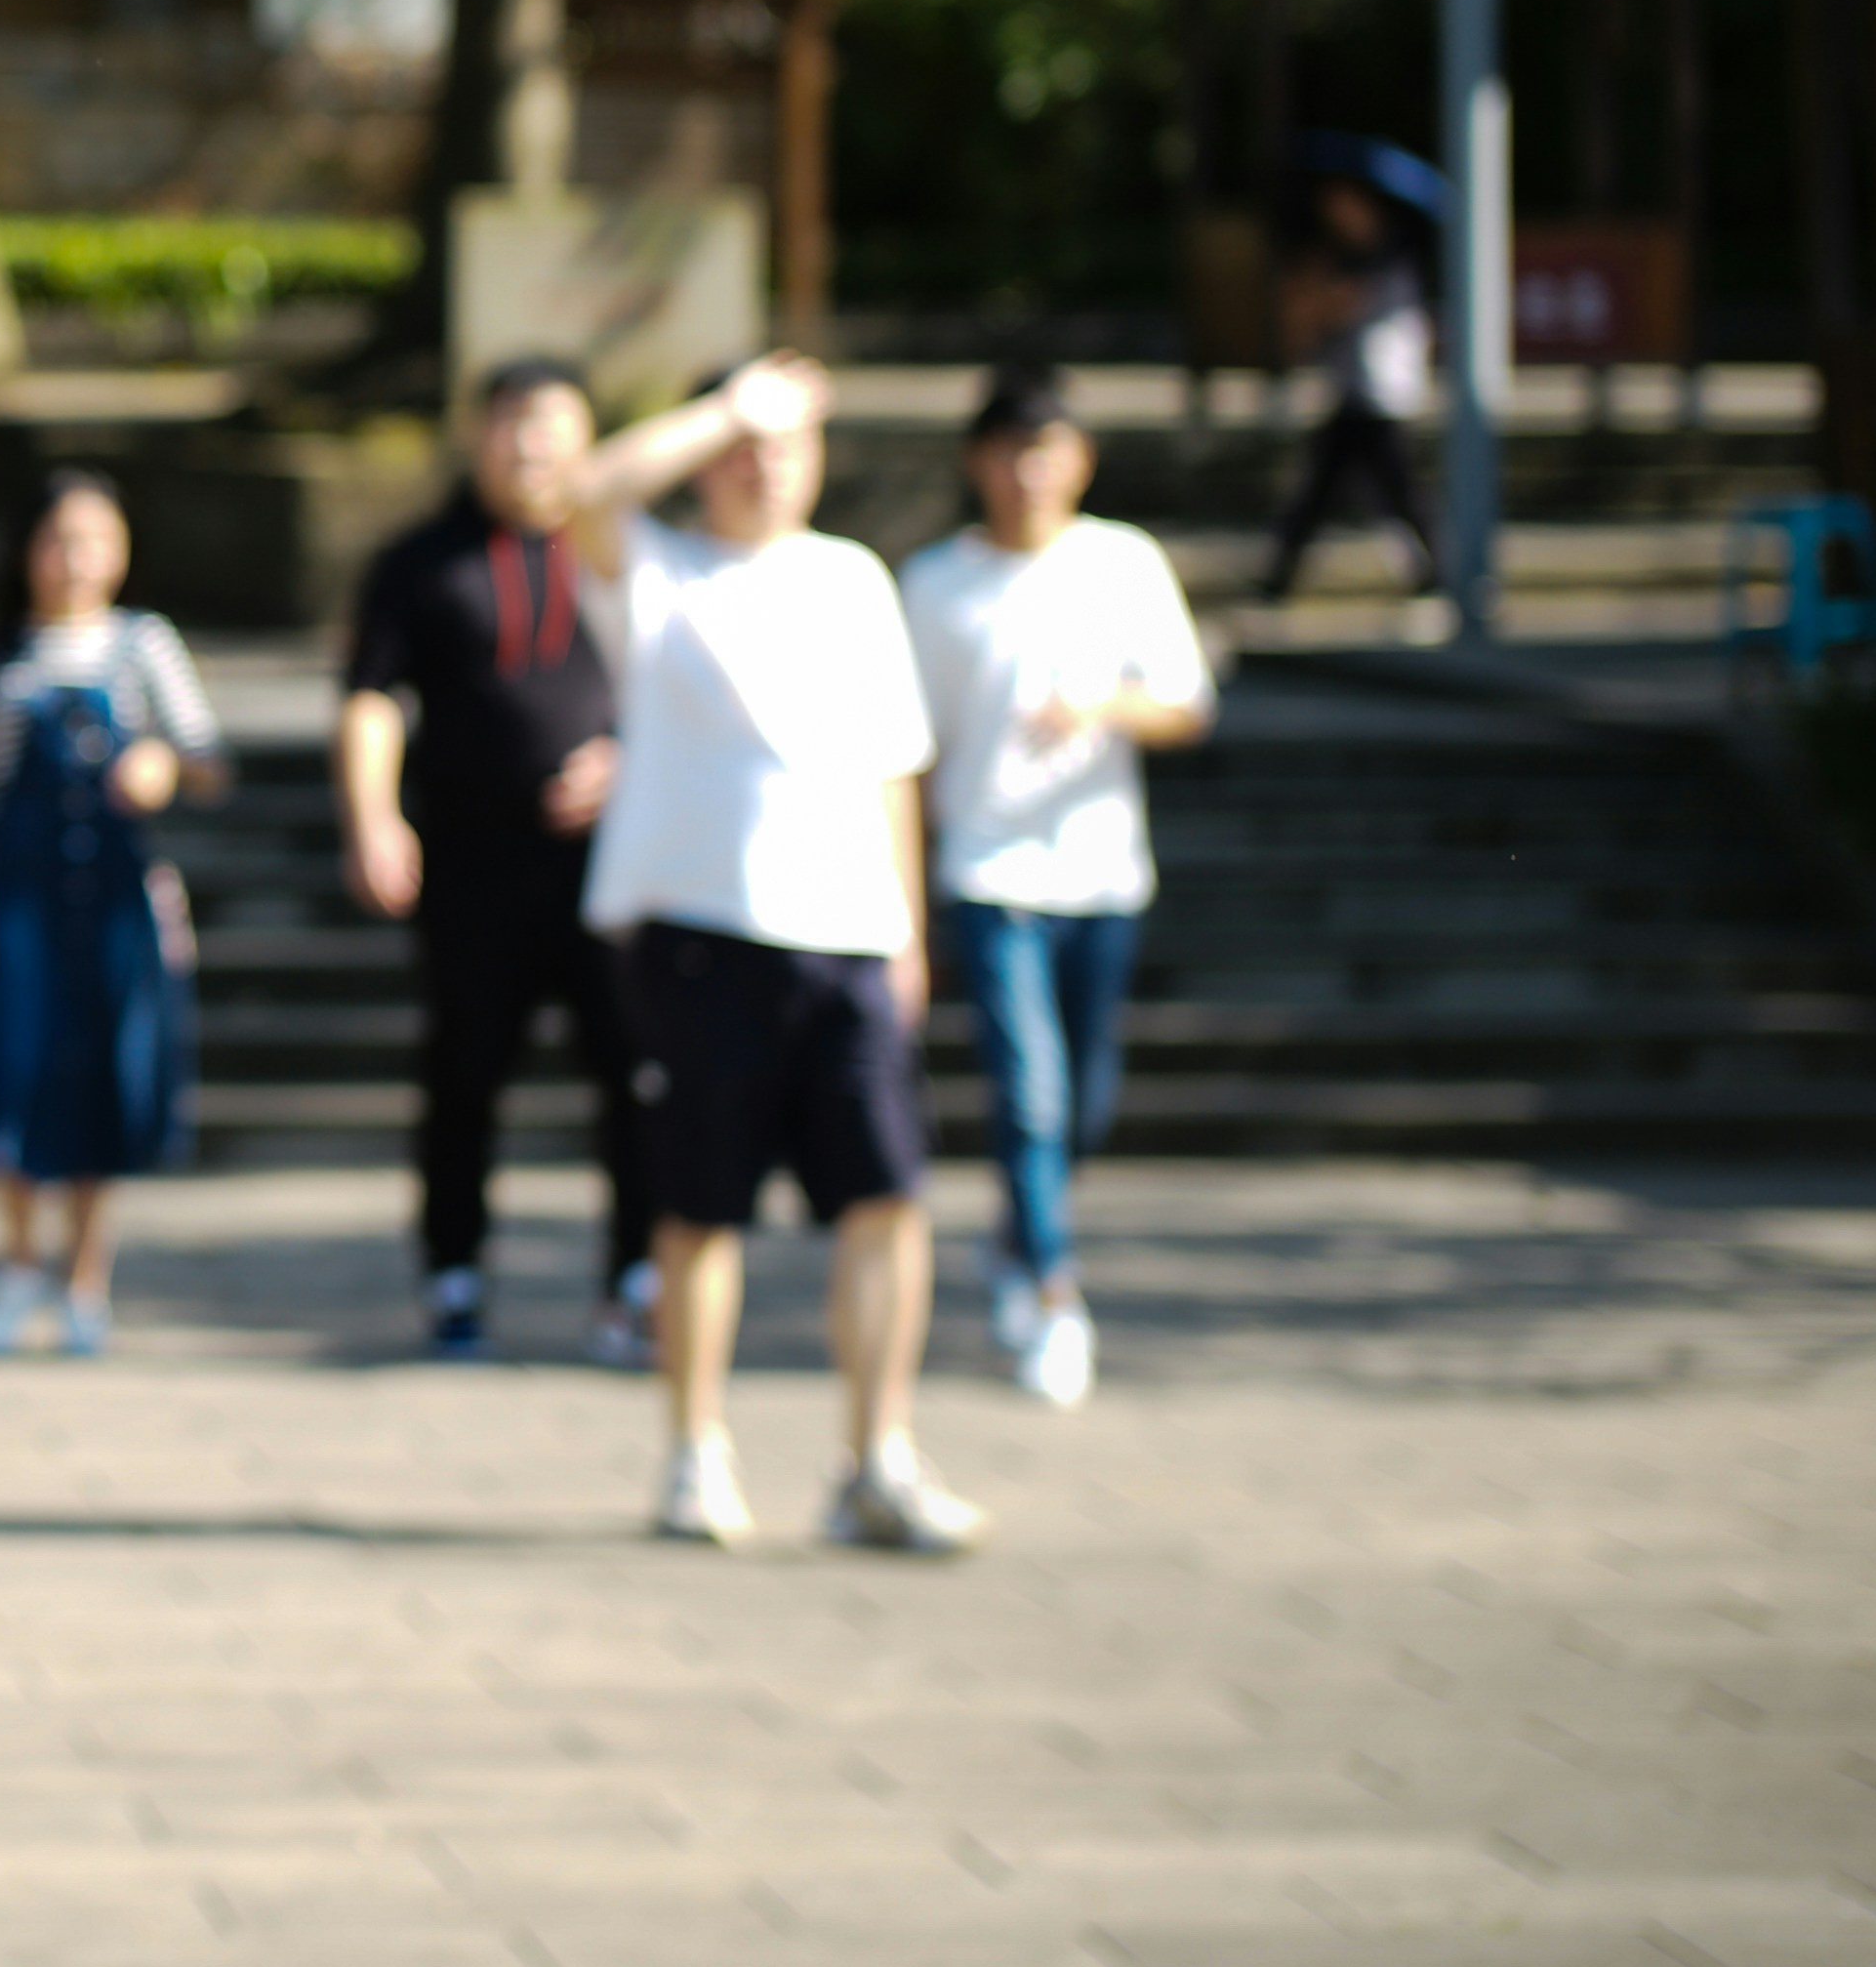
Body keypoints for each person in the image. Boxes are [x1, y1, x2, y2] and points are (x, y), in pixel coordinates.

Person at [556, 351, 977, 1554]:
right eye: (747, 442)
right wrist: (726, 407)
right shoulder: (659, 569)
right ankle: (695, 1452)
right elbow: (588, 490)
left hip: (846, 934)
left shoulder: (855, 579)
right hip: (701, 931)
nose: (767, 461)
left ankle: (878, 1455)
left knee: (889, 1199)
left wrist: (904, 927)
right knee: (699, 1208)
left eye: (789, 441)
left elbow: (898, 761)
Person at [900, 369, 1216, 1411]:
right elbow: (908, 743)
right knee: (1028, 1094)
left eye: (1051, 448)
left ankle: (1014, 1233)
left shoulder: (1123, 561)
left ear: (1080, 459)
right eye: (1011, 449)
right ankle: (1051, 1293)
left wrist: (1099, 707)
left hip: (1101, 869)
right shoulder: (935, 583)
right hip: (988, 872)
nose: (1031, 471)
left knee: (1082, 1101)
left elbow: (1185, 702)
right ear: (976, 461)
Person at [335, 355, 657, 1367]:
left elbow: (688, 686)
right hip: (473, 860)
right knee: (465, 1072)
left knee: (636, 1069)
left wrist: (629, 761)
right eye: (512, 425)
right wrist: (373, 817)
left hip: (613, 861)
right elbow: (374, 696)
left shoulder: (621, 554)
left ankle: (635, 1279)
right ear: (475, 434)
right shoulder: (421, 560)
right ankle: (454, 1271)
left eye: (555, 427)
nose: (532, 448)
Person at [0, 468, 224, 1360]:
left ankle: (89, 1279)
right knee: (10, 1068)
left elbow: (208, 760)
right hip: (17, 892)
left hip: (116, 897)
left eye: (96, 539)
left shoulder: (144, 646)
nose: (77, 559)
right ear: (27, 549)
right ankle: (18, 1262)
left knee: (106, 1075)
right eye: (60, 539)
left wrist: (163, 764)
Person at [1259, 176, 1438, 598]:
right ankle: (1281, 574)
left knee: (1389, 490)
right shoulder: (1345, 257)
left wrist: (1318, 291)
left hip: (1383, 391)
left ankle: (1440, 569)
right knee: (1341, 489)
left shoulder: (1387, 258)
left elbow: (1335, 308)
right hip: (1355, 389)